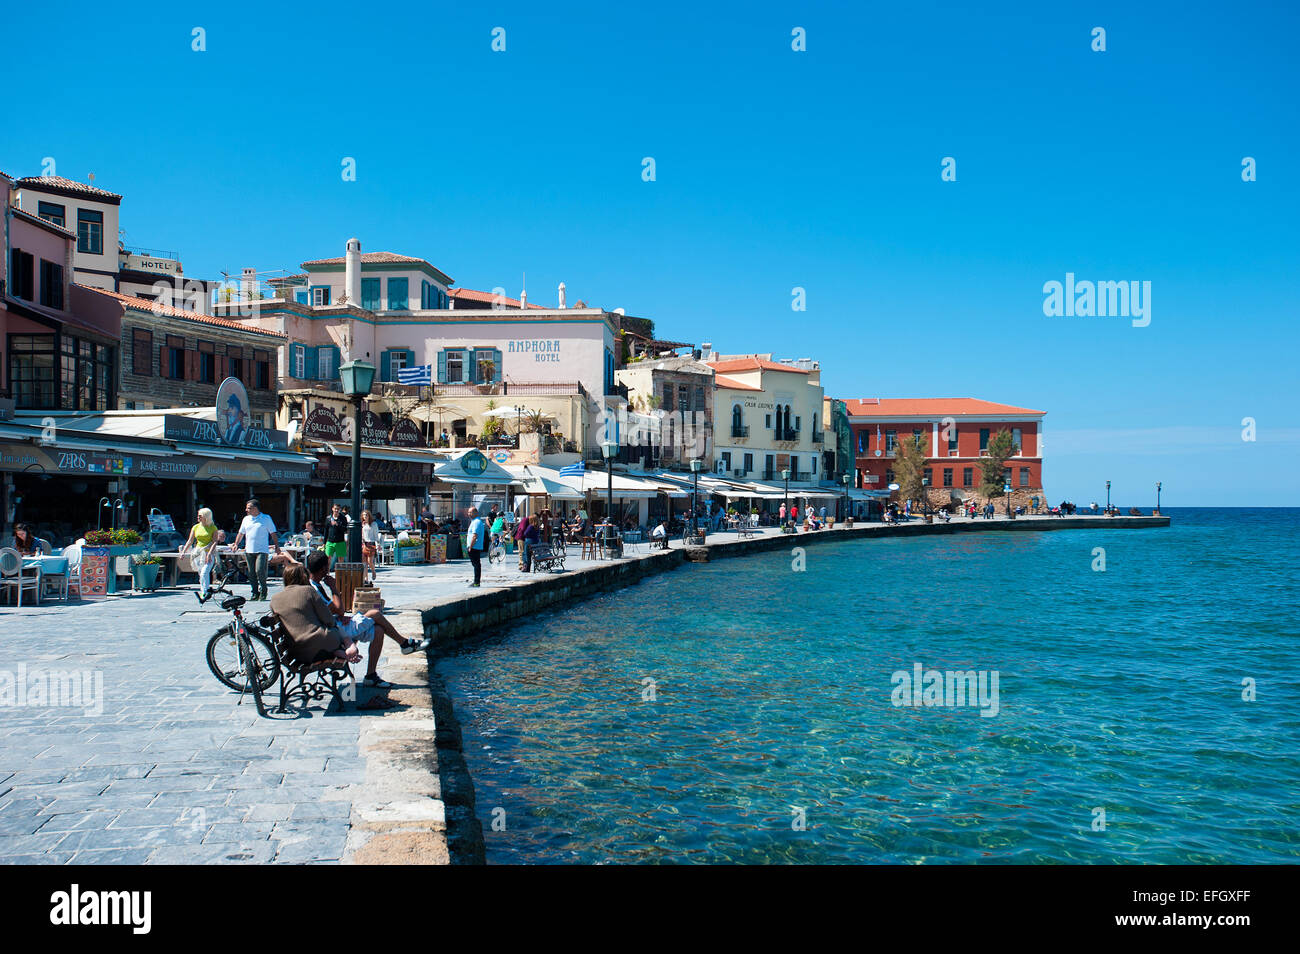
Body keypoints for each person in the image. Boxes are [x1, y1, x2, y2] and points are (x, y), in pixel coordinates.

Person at [303, 550, 431, 687]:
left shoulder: (315, 585)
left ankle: (371, 676)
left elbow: (334, 611)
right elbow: (339, 609)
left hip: (337, 626)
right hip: (335, 632)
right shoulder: (314, 589)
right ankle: (404, 643)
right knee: (375, 613)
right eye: (328, 566)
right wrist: (334, 588)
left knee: (378, 630)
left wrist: (340, 615)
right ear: (323, 568)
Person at [270, 564, 361, 667]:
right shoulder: (308, 591)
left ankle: (340, 650)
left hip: (298, 652)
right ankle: (347, 644)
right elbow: (329, 620)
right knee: (337, 626)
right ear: (304, 576)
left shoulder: (274, 599)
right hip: (321, 642)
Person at [231, 498, 279, 601]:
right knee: (251, 573)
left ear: (255, 508)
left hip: (262, 550)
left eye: (248, 508)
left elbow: (273, 533)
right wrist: (236, 544)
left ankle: (263, 590)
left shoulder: (266, 518)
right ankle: (254, 592)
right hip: (249, 550)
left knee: (259, 570)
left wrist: (277, 546)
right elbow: (241, 533)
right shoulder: (246, 519)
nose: (246, 510)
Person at [182, 507, 221, 600]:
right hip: (198, 553)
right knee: (201, 574)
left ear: (206, 517)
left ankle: (205, 591)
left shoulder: (213, 527)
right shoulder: (195, 527)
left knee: (204, 573)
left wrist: (209, 554)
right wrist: (183, 551)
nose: (198, 517)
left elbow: (215, 542)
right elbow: (190, 541)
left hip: (208, 553)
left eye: (200, 516)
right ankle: (204, 591)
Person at [465, 507, 487, 587]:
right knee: (475, 564)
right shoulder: (474, 521)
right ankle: (476, 581)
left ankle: (476, 582)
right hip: (474, 546)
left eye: (471, 512)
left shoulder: (476, 522)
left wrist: (470, 546)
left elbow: (474, 536)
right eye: (468, 512)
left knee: (476, 564)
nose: (469, 514)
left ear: (476, 512)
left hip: (474, 547)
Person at [322, 504, 348, 569]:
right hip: (330, 541)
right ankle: (327, 574)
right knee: (328, 558)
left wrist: (337, 524)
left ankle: (340, 574)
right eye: (335, 509)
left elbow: (345, 529)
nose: (336, 510)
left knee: (341, 558)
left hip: (340, 541)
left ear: (339, 510)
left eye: (338, 509)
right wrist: (324, 542)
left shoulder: (343, 518)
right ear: (332, 509)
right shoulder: (328, 518)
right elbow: (326, 531)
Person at [360, 510, 380, 583]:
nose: (365, 516)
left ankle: (373, 571)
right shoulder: (362, 524)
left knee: (370, 562)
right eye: (364, 515)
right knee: (364, 563)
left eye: (366, 515)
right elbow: (362, 535)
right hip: (364, 544)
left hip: (371, 544)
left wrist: (378, 544)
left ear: (369, 516)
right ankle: (366, 579)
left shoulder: (373, 524)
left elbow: (376, 535)